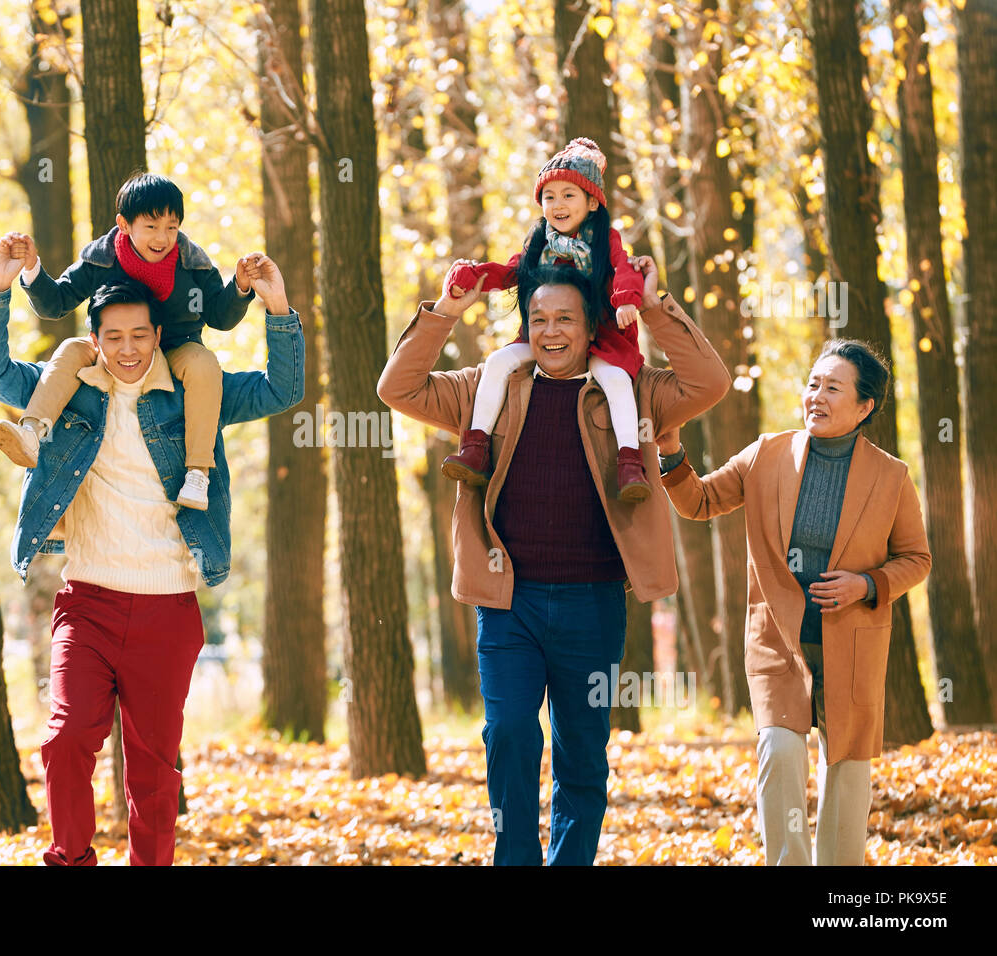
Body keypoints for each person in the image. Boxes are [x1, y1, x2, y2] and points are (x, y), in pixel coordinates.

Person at [377, 255, 730, 865]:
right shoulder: (489, 389)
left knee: (583, 757)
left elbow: (708, 383)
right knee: (509, 733)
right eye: (538, 319)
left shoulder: (634, 393)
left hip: (591, 606)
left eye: (565, 317)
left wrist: (652, 303)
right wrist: (446, 313)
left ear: (591, 324)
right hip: (507, 603)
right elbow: (398, 388)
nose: (550, 331)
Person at [0, 232, 304, 866]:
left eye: (140, 336)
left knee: (153, 774)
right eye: (113, 337)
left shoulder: (194, 394)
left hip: (168, 611)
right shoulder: (69, 391)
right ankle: (69, 858)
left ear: (160, 336)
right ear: (94, 339)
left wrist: (278, 309)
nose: (127, 349)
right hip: (88, 602)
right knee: (66, 739)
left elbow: (282, 391)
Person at [656, 339, 931, 865]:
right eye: (813, 384)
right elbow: (701, 501)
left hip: (852, 642)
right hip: (778, 641)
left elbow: (916, 558)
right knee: (780, 753)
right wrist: (671, 453)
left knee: (847, 771)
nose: (817, 396)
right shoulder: (767, 454)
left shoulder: (891, 476)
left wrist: (867, 584)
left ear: (865, 406)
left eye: (833, 387)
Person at [0, 172, 264, 509]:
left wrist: (239, 287)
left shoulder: (193, 263)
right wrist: (31, 268)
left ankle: (197, 472)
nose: (162, 237)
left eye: (171, 227)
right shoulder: (102, 258)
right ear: (124, 224)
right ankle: (32, 433)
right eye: (151, 226)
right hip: (113, 351)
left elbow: (220, 318)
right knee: (70, 349)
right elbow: (56, 304)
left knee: (204, 363)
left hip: (177, 346)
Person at [440, 137, 649, 501]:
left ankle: (629, 462)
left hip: (599, 333)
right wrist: (473, 277)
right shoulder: (540, 242)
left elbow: (625, 270)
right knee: (498, 362)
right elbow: (510, 272)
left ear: (592, 202)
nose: (558, 205)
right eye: (549, 197)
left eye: (569, 195)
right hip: (549, 336)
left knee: (615, 379)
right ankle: (477, 445)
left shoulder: (604, 240)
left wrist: (626, 300)